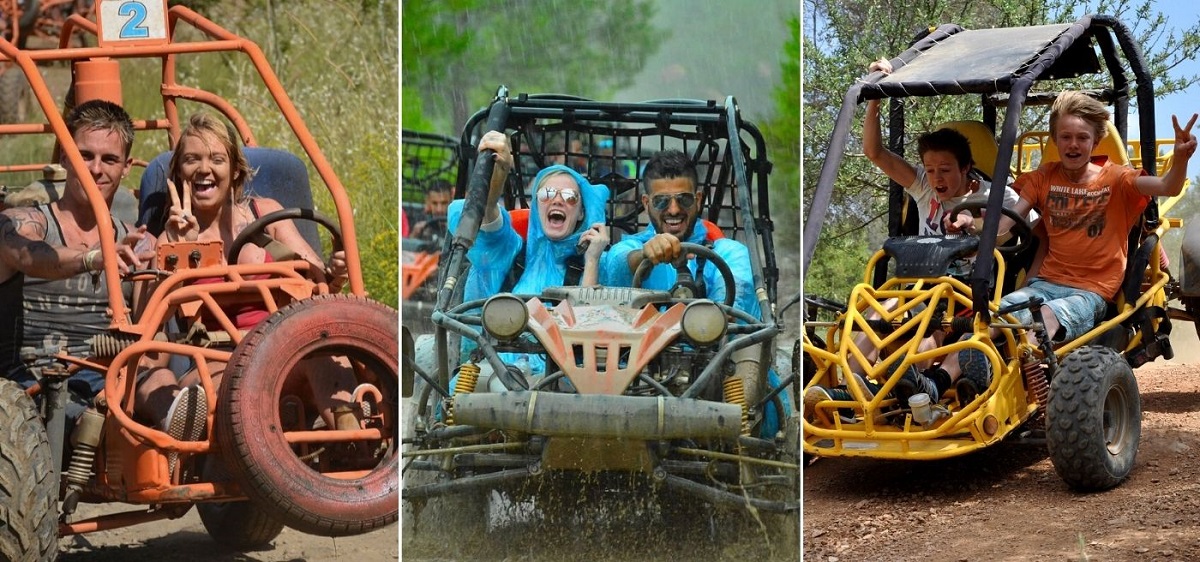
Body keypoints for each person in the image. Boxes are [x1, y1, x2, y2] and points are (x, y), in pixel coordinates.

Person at [133, 111, 353, 444]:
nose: (204, 169)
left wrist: (336, 273)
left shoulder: (267, 215)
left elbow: (318, 286)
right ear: (179, 172)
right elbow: (147, 328)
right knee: (226, 384)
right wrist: (177, 252)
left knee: (323, 355)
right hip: (221, 365)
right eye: (192, 159)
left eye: (216, 159)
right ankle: (191, 429)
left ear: (234, 169)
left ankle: (360, 451)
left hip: (286, 350)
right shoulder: (170, 240)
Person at [842, 57, 1037, 407]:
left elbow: (1033, 226)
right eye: (930, 170)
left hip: (967, 292)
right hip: (922, 287)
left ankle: (904, 386)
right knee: (874, 314)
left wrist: (983, 229)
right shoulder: (923, 188)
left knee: (930, 332)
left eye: (945, 170)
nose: (937, 179)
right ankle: (854, 391)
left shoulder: (997, 195)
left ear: (966, 167)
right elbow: (874, 152)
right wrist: (874, 99)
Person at [997, 92, 1196, 346]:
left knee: (1043, 319)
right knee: (993, 316)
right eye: (1066, 137)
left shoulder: (1117, 179)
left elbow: (1168, 186)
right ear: (1055, 140)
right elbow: (1005, 229)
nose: (1073, 145)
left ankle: (1019, 368)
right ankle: (938, 381)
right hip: (1042, 284)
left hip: (1090, 291)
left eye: (1082, 138)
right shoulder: (1043, 177)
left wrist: (1179, 159)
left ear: (1096, 141)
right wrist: (975, 228)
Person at [0, 99, 154, 422]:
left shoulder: (139, 244)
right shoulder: (25, 223)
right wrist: (94, 258)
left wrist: (172, 250)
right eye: (85, 155)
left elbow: (150, 340)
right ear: (64, 157)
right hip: (26, 383)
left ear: (127, 167)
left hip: (107, 381)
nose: (95, 169)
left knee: (162, 387)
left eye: (109, 159)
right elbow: (26, 255)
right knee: (81, 419)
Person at [599, 149, 773, 415]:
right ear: (646, 203)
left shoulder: (727, 252)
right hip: (641, 371)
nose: (673, 210)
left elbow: (735, 300)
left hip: (713, 367)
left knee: (747, 349)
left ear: (699, 200)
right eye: (661, 202)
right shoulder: (632, 247)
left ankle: (740, 439)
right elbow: (616, 265)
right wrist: (645, 255)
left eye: (684, 199)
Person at [446, 131, 609, 378]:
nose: (557, 201)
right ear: (534, 206)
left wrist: (592, 260)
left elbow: (587, 339)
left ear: (581, 213)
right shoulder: (512, 251)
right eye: (546, 195)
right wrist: (500, 174)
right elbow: (486, 214)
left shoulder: (597, 262)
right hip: (496, 374)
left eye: (569, 197)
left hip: (564, 382)